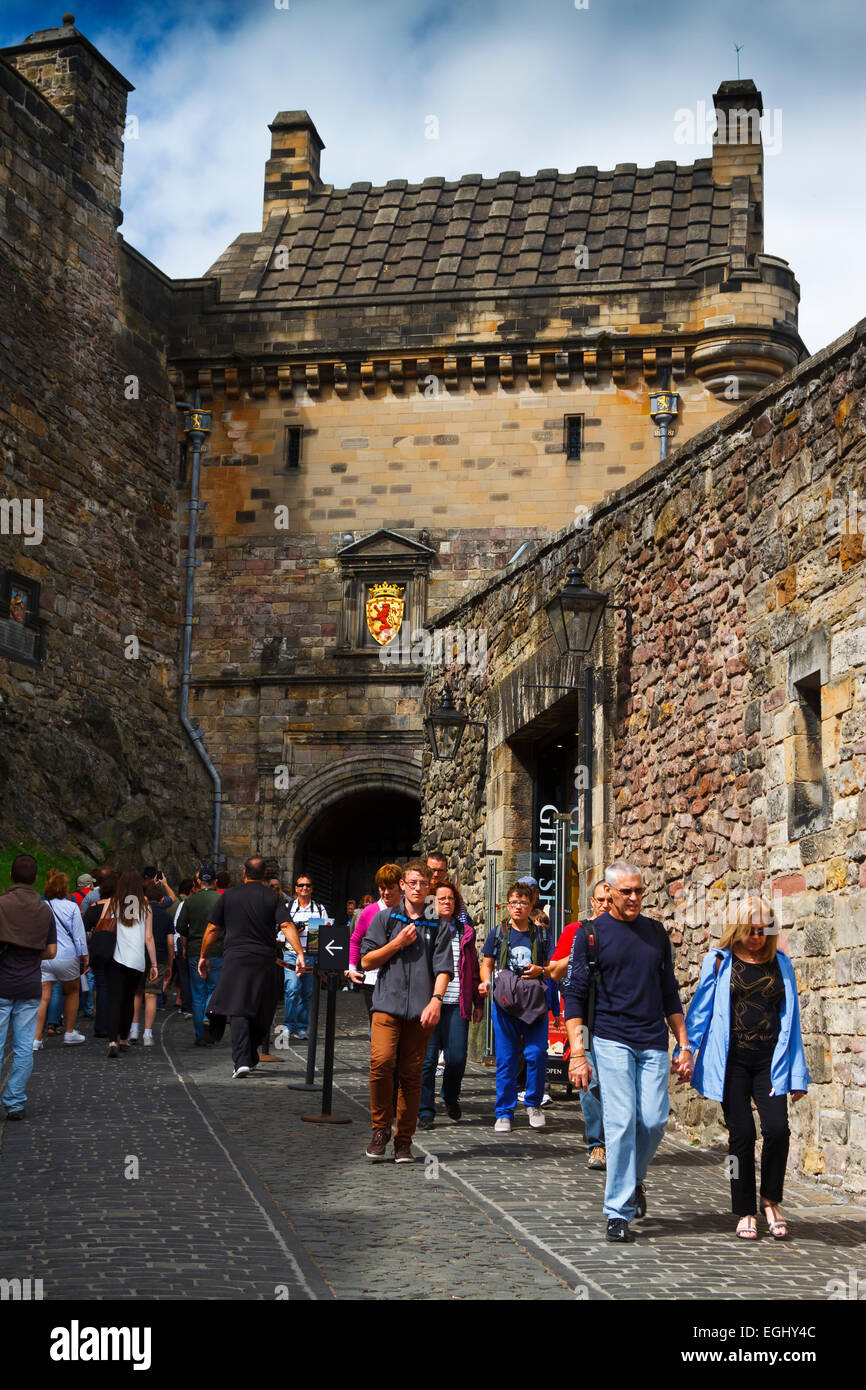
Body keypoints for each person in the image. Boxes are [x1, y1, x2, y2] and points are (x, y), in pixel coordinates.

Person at [564, 861, 691, 1243]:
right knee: (619, 1124)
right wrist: (577, 1052)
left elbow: (669, 991)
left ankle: (634, 1181)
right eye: (627, 892)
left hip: (653, 1039)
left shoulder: (655, 933)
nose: (635, 898)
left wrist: (683, 1043)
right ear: (611, 892)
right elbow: (573, 995)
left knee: (652, 1121)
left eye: (639, 891)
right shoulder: (590, 935)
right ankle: (617, 1211)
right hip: (611, 1038)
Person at [682, 895, 810, 1240]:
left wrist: (797, 1074)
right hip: (732, 1062)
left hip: (771, 1060)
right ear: (737, 929)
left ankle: (771, 1199)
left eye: (763, 930)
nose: (756, 936)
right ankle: (743, 1209)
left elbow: (792, 1023)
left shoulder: (782, 964)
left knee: (778, 1131)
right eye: (750, 930)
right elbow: (699, 1013)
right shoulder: (719, 961)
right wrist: (687, 1051)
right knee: (742, 1135)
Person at [360, 860, 453, 1162]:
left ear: (429, 887)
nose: (417, 888)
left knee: (412, 1075)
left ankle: (404, 1140)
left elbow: (443, 969)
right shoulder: (385, 919)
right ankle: (380, 1129)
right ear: (402, 885)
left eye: (423, 884)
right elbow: (366, 961)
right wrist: (397, 944)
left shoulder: (437, 924)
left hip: (420, 1011)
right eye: (412, 882)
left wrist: (436, 1000)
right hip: (386, 1005)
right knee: (381, 1062)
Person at [202, 857, 305, 1078]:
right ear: (265, 874)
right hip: (264, 959)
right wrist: (299, 953)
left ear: (244, 873)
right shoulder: (272, 896)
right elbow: (286, 925)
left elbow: (212, 929)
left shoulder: (229, 895)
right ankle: (248, 1055)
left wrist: (204, 956)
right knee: (262, 1008)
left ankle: (242, 1060)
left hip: (235, 959)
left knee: (238, 1007)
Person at [547, 879, 613, 1169]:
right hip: (584, 1017)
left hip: (616, 1021)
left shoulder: (629, 933)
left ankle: (618, 1142)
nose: (605, 905)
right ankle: (597, 1145)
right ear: (592, 902)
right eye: (600, 900)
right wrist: (577, 953)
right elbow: (553, 971)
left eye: (610, 900)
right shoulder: (576, 931)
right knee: (590, 1080)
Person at [479, 881, 553, 1132]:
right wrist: (486, 983)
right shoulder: (498, 932)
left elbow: (553, 967)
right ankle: (504, 1112)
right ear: (507, 905)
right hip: (505, 1004)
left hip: (534, 1003)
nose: (518, 907)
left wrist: (541, 970)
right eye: (513, 902)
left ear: (532, 904)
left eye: (523, 902)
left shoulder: (541, 934)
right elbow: (487, 963)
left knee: (537, 1053)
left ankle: (533, 1103)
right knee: (506, 1059)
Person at [417, 880, 481, 1129]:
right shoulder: (424, 929)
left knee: (456, 1058)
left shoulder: (465, 932)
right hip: (429, 1003)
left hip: (456, 1003)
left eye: (450, 899)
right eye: (440, 898)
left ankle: (450, 1095)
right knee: (428, 1060)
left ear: (456, 904)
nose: (445, 902)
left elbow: (473, 970)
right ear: (431, 903)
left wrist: (477, 1001)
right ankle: (425, 1109)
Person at [0, 854, 57, 1119]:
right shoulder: (44, 910)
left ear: (11, 876)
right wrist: (32, 955)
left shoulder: (2, 904)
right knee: (24, 1047)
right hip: (30, 983)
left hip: (2, 982)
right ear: (35, 879)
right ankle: (15, 1101)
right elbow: (52, 951)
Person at [101, 870, 158, 1058]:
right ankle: (124, 1037)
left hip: (116, 958)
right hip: (136, 961)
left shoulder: (113, 904)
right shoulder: (145, 907)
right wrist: (155, 964)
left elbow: (102, 927)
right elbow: (148, 938)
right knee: (129, 1000)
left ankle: (112, 1040)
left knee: (114, 999)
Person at [33, 871, 89, 1048]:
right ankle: (70, 1032)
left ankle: (36, 1038)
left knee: (43, 997)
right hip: (66, 955)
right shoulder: (72, 907)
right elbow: (79, 935)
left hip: (45, 955)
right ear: (65, 888)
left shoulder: (41, 906)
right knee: (72, 991)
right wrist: (84, 955)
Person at [175, 868, 222, 1046]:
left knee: (197, 993)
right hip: (217, 949)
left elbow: (180, 926)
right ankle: (206, 1017)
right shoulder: (221, 900)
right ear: (215, 882)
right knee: (214, 989)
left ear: (199, 882)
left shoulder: (190, 901)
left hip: (195, 949)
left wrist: (192, 935)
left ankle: (200, 1036)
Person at [347, 864, 403, 1014]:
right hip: (373, 980)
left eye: (390, 888)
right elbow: (355, 940)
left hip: (402, 980)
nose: (385, 892)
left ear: (400, 885)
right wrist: (351, 969)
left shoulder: (410, 909)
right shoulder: (369, 912)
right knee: (377, 1029)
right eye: (381, 888)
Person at [281, 873, 328, 1041]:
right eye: (301, 885)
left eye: (307, 885)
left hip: (310, 954)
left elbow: (324, 933)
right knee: (292, 989)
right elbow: (279, 931)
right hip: (291, 953)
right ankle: (288, 1024)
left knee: (307, 992)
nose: (304, 888)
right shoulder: (288, 907)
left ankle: (301, 1027)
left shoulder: (319, 909)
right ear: (295, 888)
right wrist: (294, 931)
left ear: (312, 888)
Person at [128, 880, 175, 1046]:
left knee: (137, 993)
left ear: (145, 897)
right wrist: (170, 963)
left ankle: (133, 1028)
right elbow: (170, 942)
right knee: (151, 995)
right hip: (159, 958)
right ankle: (147, 1033)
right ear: (163, 900)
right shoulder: (166, 916)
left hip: (138, 956)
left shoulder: (138, 911)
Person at [82, 874, 118, 1038]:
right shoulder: (120, 908)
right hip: (116, 950)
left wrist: (86, 952)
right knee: (114, 988)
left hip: (98, 950)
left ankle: (101, 1026)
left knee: (101, 986)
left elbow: (82, 931)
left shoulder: (94, 907)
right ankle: (113, 1025)